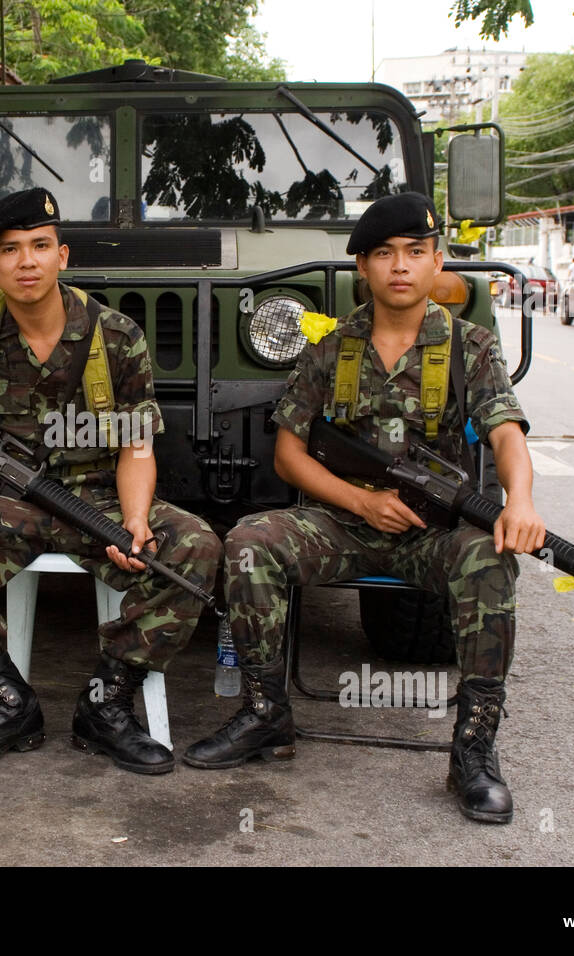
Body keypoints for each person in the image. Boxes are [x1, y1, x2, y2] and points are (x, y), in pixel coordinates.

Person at [184, 192, 545, 825]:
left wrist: (521, 501)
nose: (400, 266)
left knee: (492, 560)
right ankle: (268, 714)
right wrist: (362, 501)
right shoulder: (329, 348)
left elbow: (506, 432)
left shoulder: (472, 346)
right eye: (384, 254)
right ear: (363, 270)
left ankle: (475, 751)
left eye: (414, 253)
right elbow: (290, 456)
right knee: (248, 542)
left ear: (439, 263)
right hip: (343, 525)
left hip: (434, 532)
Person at [0, 188, 222, 774]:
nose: (26, 261)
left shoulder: (116, 336)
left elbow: (138, 445)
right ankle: (9, 700)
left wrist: (134, 517)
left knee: (194, 548)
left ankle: (106, 705)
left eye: (40, 246)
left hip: (98, 499)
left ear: (64, 257)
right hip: (3, 504)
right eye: (10, 250)